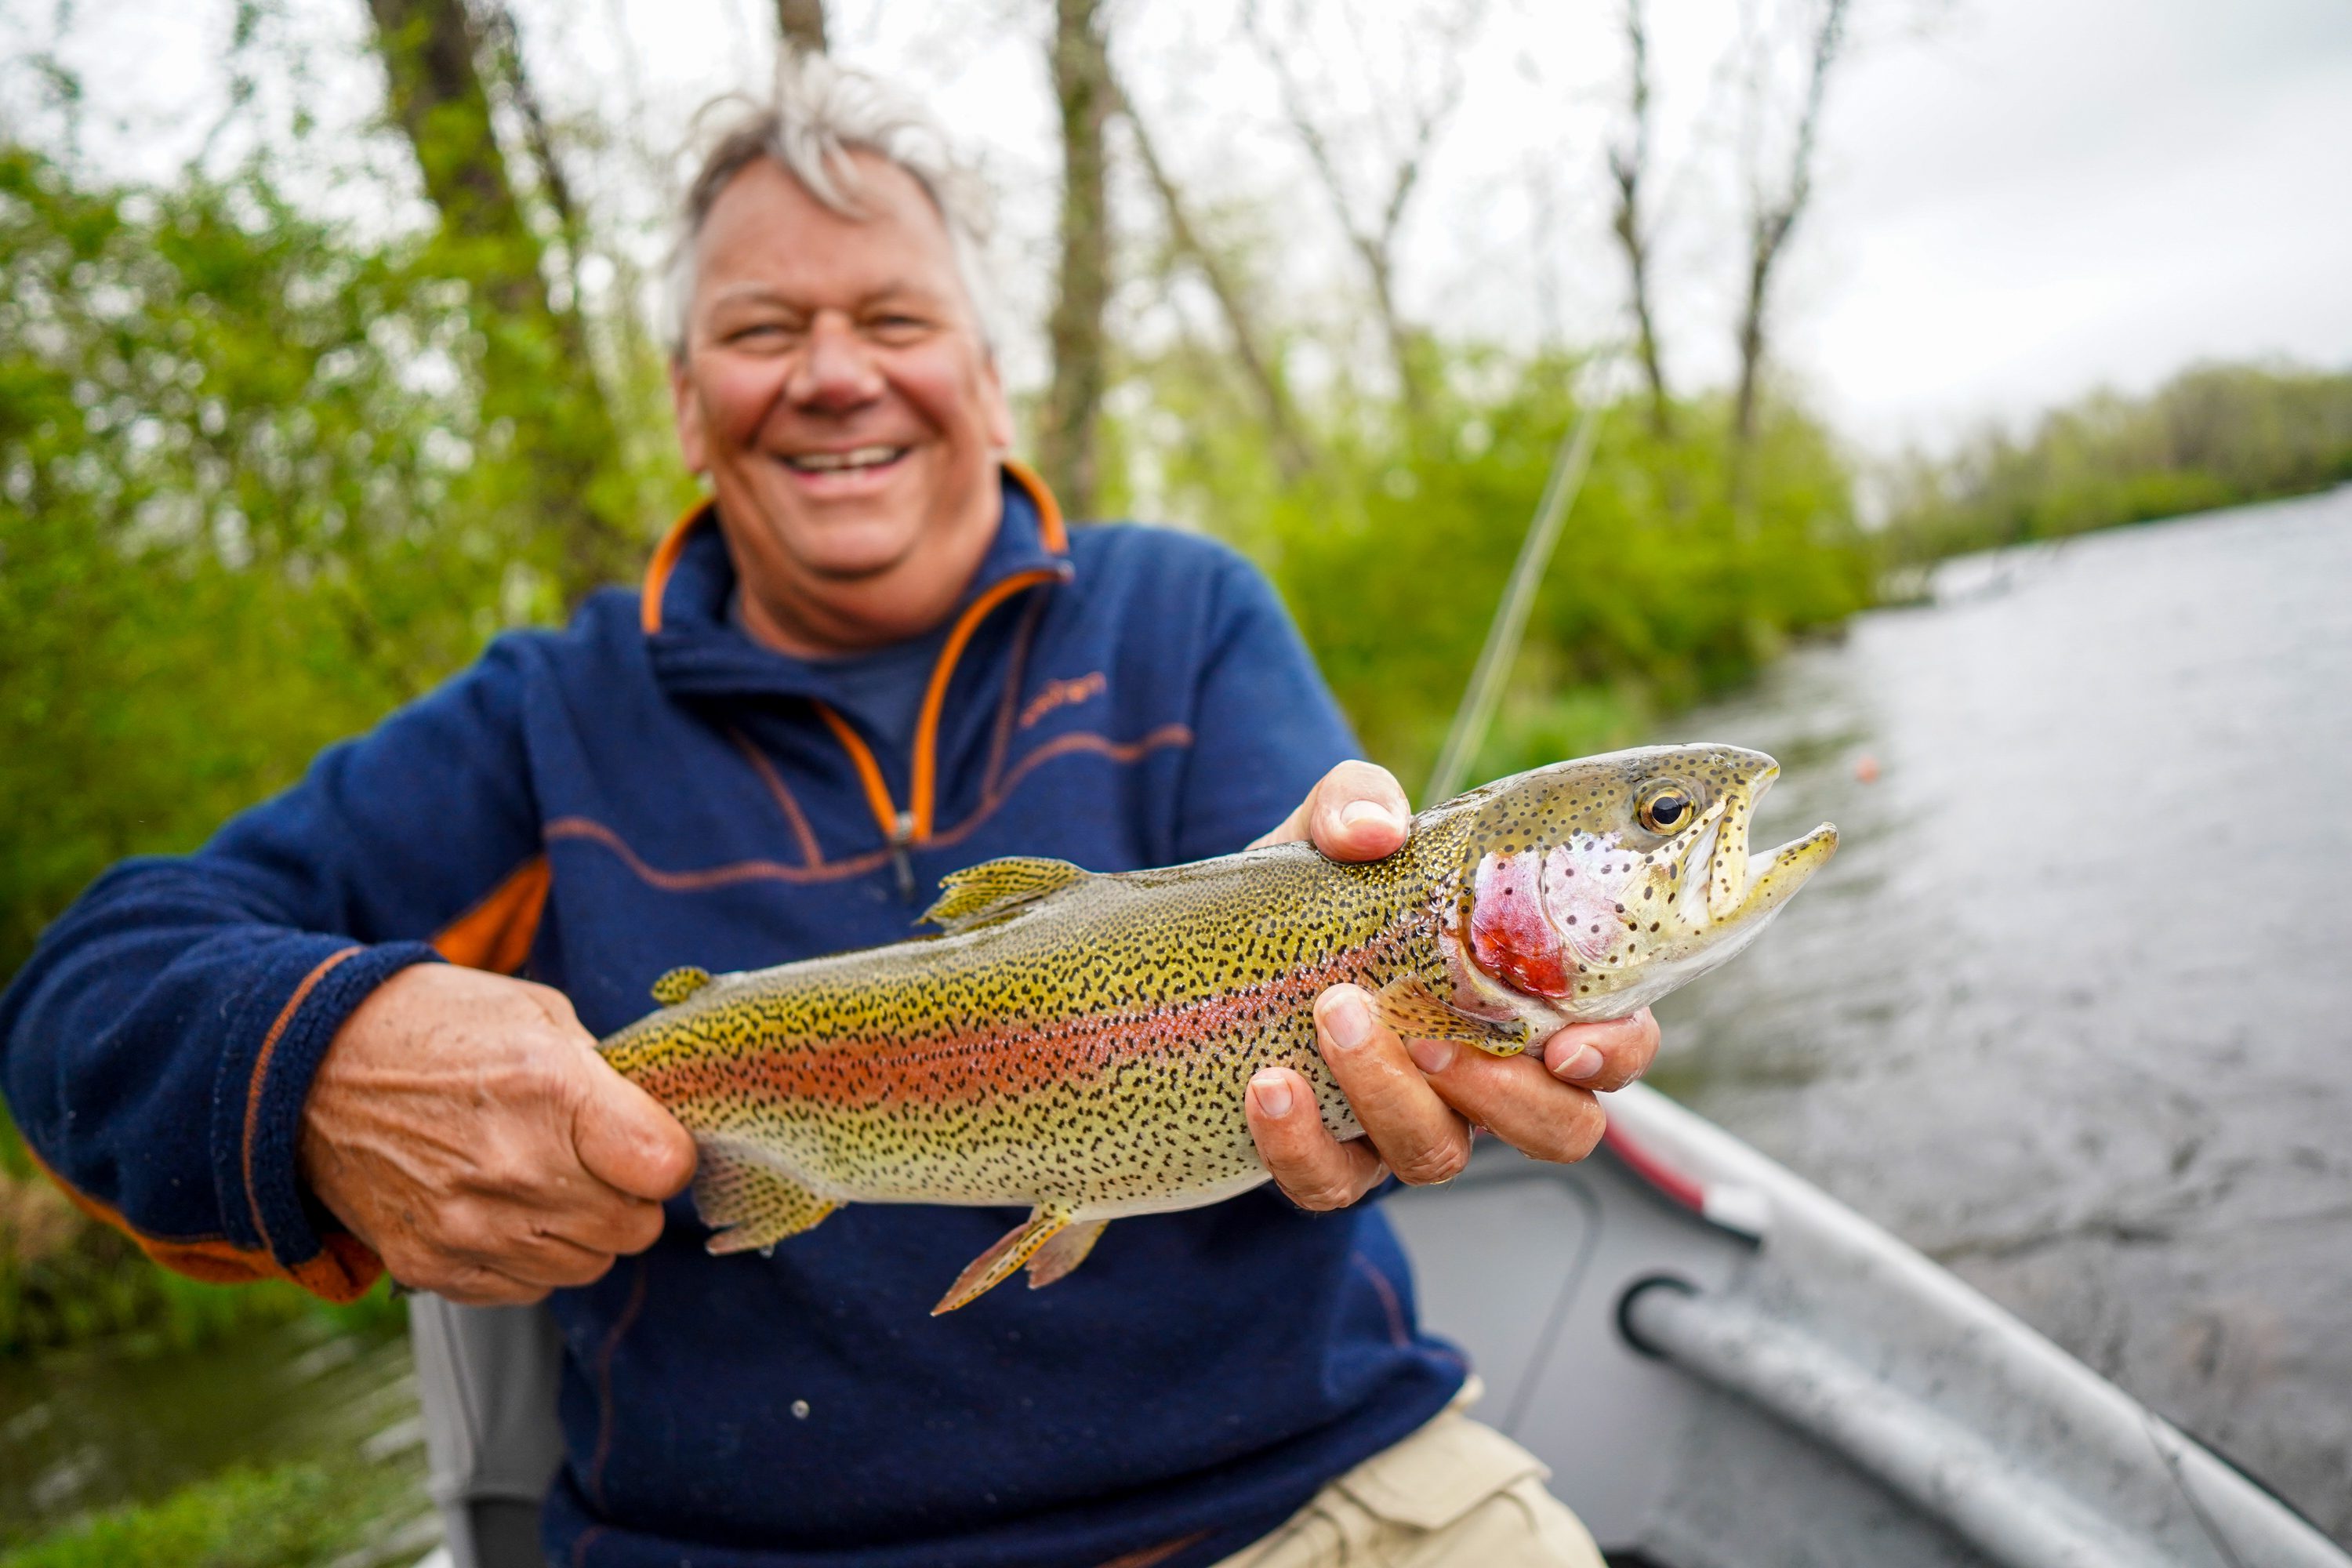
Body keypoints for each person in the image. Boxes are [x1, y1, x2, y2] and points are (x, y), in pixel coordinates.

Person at [0, 57, 1657, 1568]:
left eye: (894, 318)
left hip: (1319, 1500)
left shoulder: (1181, 615)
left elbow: (1359, 1065)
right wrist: (316, 1066)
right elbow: (85, 991)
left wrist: (1424, 1060)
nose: (836, 375)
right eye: (762, 329)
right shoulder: (543, 722)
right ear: (684, 399)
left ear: (989, 377)